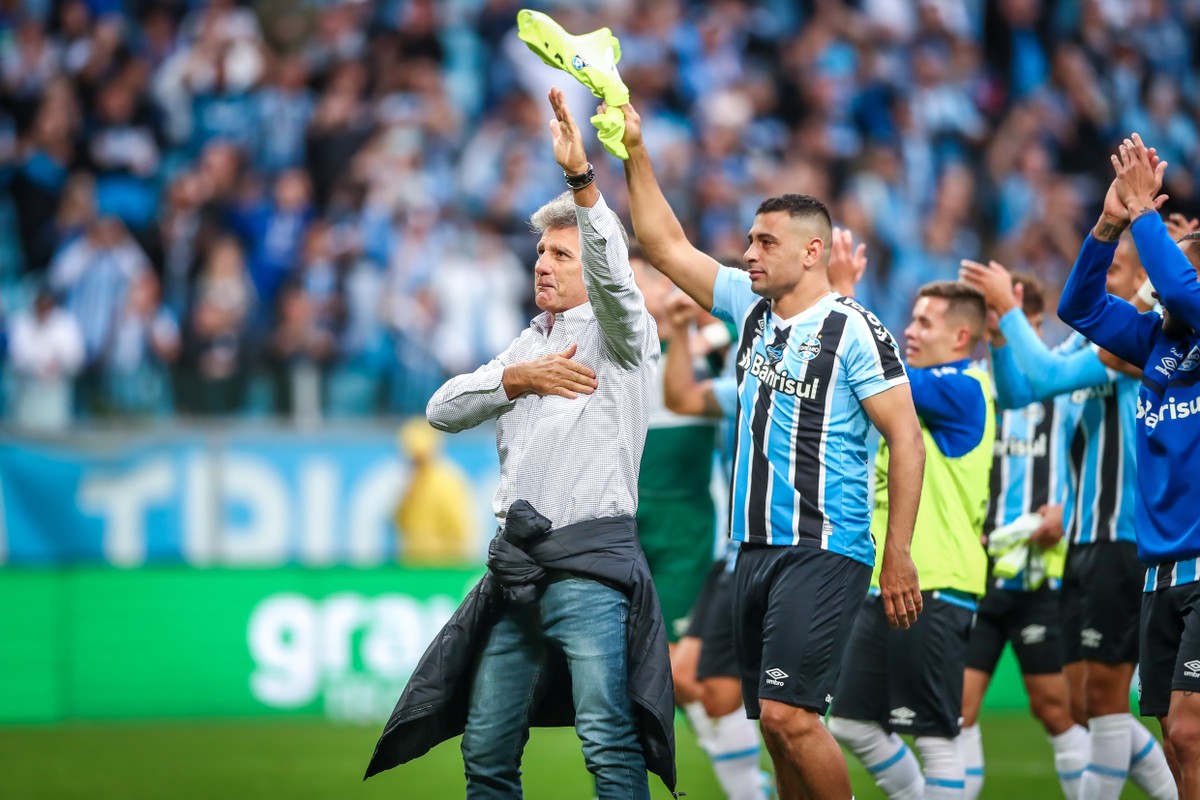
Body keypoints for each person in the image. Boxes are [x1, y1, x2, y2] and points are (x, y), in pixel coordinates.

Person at [365, 88, 672, 799]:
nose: (542, 263)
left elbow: (620, 283)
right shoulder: (528, 343)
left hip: (590, 569)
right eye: (539, 251)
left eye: (560, 254)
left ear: (591, 266)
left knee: (607, 741)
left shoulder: (622, 340)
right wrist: (515, 379)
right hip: (517, 573)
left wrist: (582, 184)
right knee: (487, 745)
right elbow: (442, 410)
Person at [616, 99, 926, 799]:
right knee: (774, 728)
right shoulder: (747, 309)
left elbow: (905, 438)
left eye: (765, 242)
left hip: (822, 547)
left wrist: (897, 550)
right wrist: (635, 149)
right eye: (749, 242)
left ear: (812, 252)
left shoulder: (854, 330)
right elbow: (665, 246)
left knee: (792, 716)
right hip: (751, 550)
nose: (749, 254)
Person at [962, 234, 1176, 799]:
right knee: (1086, 705)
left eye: (1119, 271)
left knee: (1105, 708)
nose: (1108, 281)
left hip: (1120, 536)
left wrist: (1009, 311)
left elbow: (1050, 380)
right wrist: (1001, 339)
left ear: (1146, 281)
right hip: (1084, 540)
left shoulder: (1133, 346)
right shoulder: (1092, 345)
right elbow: (1018, 393)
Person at [1060, 133, 1200, 799]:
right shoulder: (1158, 345)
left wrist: (1145, 214)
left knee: (1192, 732)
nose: (1160, 277)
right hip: (1160, 566)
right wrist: (1109, 223)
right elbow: (1079, 309)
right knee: (1176, 738)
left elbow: (1180, 288)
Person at [828, 280, 995, 800]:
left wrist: (843, 302)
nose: (910, 330)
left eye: (925, 322)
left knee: (935, 738)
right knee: (851, 724)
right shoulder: (922, 391)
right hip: (887, 585)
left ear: (962, 334)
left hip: (935, 584)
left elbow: (880, 373)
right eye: (913, 319)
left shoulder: (965, 387)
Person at [954, 269, 1089, 800]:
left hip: (1039, 579)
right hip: (980, 574)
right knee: (957, 710)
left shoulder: (1066, 385)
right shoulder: (975, 387)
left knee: (1056, 709)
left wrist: (1070, 511)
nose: (1005, 332)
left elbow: (1102, 454)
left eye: (1014, 320)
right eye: (995, 321)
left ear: (1034, 322)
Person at [662, 288, 770, 800]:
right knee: (686, 679)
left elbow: (723, 331)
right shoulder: (733, 378)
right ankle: (754, 789)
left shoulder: (759, 358)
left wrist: (694, 326)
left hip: (773, 551)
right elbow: (680, 394)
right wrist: (682, 329)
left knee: (769, 711)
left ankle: (754, 789)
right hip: (731, 555)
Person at [393, 417, 476, 565]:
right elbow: (399, 521)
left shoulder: (446, 481)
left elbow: (458, 527)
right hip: (413, 562)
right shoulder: (410, 482)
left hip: (442, 563)